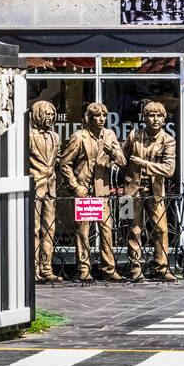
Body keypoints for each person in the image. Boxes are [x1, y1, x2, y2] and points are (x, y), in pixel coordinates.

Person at [59, 102, 126, 281]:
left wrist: (113, 152)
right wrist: (75, 186)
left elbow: (122, 162)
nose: (102, 119)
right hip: (85, 191)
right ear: (89, 118)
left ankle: (109, 269)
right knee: (83, 232)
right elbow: (65, 164)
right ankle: (84, 268)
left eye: (104, 115)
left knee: (107, 229)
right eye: (98, 116)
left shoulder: (110, 135)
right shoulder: (79, 137)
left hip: (101, 191)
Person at [122, 101, 178, 282]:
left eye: (159, 116)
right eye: (151, 115)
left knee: (161, 229)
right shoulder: (134, 136)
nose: (155, 119)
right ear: (144, 118)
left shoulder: (168, 140)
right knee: (134, 229)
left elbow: (169, 170)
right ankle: (135, 267)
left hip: (155, 191)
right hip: (133, 191)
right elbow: (122, 160)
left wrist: (143, 164)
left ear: (164, 119)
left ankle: (161, 267)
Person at [29, 100, 62, 283]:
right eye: (46, 114)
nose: (49, 118)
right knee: (33, 229)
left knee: (49, 228)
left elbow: (57, 158)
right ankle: (33, 268)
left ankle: (46, 267)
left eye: (51, 115)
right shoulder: (30, 136)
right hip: (35, 186)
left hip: (51, 187)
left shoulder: (55, 137)